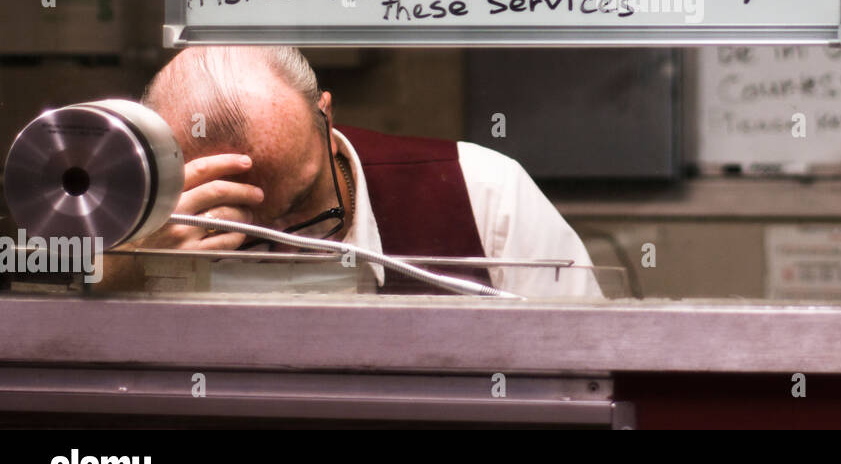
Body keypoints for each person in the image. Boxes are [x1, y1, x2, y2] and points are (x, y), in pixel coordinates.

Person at [99, 46, 602, 299]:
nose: (287, 247)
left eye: (303, 206)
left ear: (326, 116)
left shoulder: (481, 190)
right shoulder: (145, 223)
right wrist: (125, 269)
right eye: (235, 222)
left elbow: (586, 369)